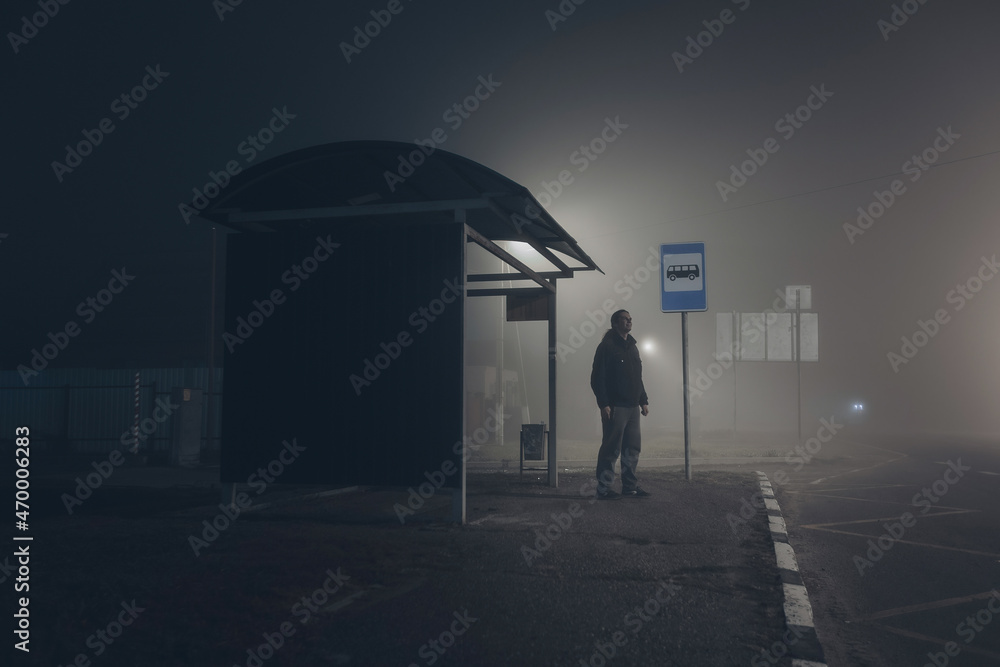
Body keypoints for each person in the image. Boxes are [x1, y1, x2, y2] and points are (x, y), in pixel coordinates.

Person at [590, 310, 650, 499]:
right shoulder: (607, 347)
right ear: (615, 323)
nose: (629, 321)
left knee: (632, 448)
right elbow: (597, 378)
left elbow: (637, 377)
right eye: (625, 319)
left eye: (631, 319)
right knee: (611, 448)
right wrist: (604, 404)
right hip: (615, 407)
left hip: (632, 407)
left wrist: (643, 400)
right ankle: (604, 489)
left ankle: (630, 487)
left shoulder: (632, 347)